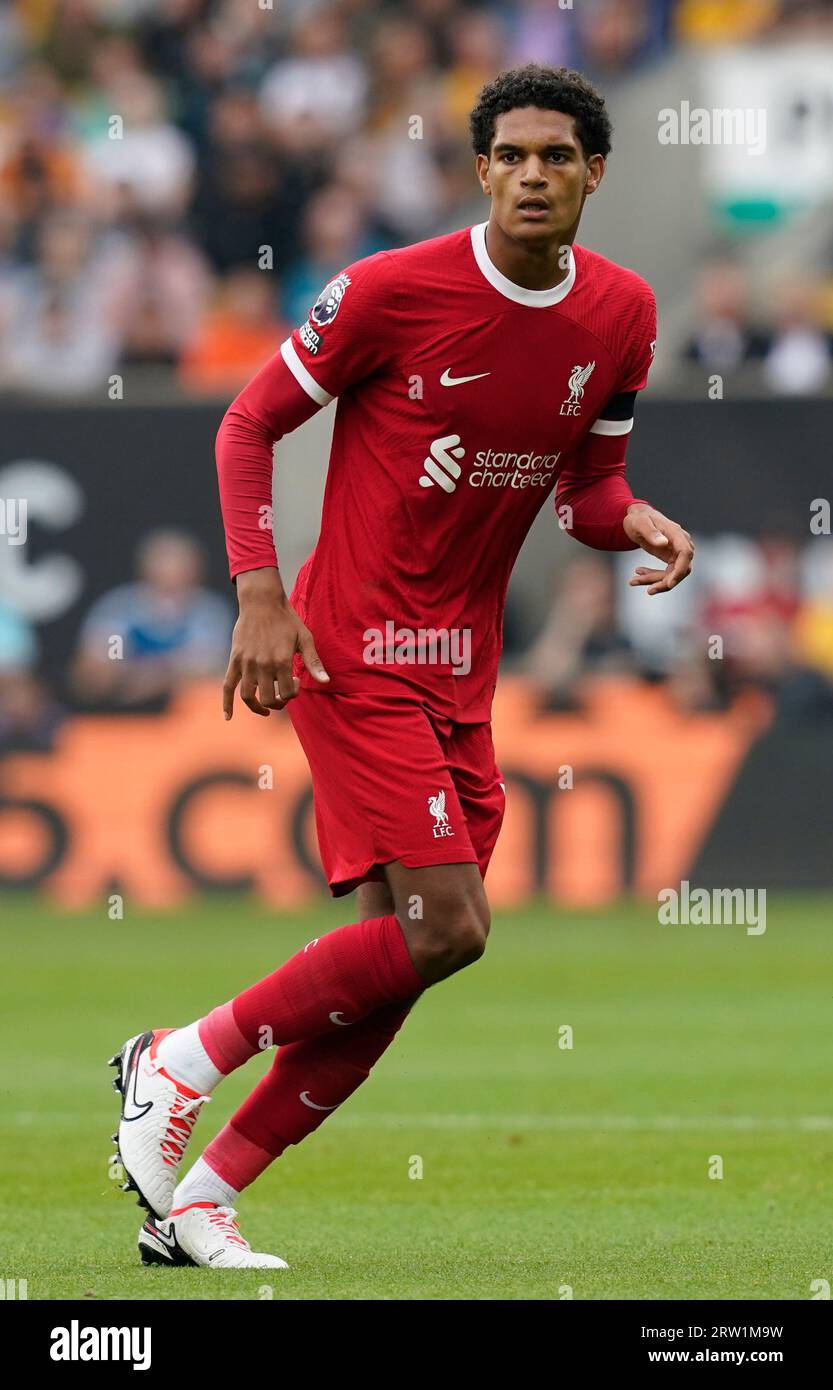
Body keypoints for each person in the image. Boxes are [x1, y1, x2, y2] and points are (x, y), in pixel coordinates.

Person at [109, 64, 694, 1270]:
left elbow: (586, 490)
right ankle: (181, 1055)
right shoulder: (389, 289)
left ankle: (204, 1199)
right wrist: (259, 593)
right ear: (480, 170)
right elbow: (247, 422)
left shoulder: (624, 313)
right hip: (351, 643)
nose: (532, 174)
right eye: (510, 155)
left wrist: (632, 519)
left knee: (397, 961)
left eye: (556, 155)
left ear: (593, 172)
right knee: (451, 927)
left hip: (459, 663)